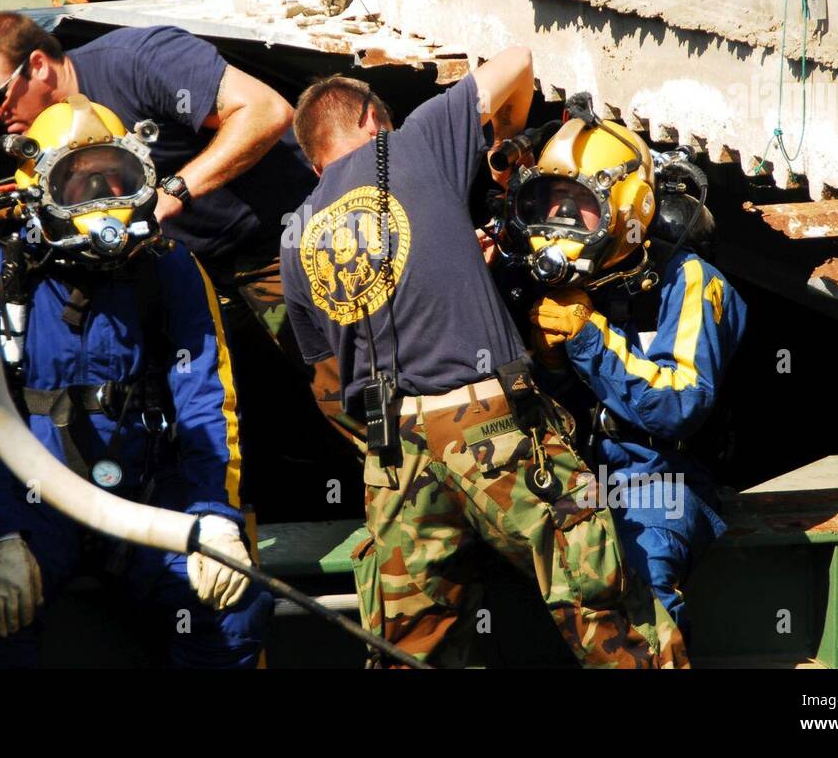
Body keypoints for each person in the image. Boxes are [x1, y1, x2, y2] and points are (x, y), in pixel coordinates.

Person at [278, 51, 688, 668]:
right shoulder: (412, 141)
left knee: (408, 646)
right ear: (371, 119)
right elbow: (518, 65)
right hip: (493, 425)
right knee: (603, 604)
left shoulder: (294, 237)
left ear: (314, 161)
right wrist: (506, 143)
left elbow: (330, 384)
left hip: (394, 458)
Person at [0, 94, 272, 668]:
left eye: (117, 181)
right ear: (38, 191)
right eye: (80, 184)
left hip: (144, 498)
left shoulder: (172, 269)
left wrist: (213, 514)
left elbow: (207, 402)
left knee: (231, 604)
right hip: (27, 507)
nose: (103, 200)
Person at [0, 12, 359, 463]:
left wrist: (174, 192)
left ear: (40, 66)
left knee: (345, 388)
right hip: (186, 270)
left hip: (275, 247)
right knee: (194, 409)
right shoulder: (33, 133)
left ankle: (410, 510)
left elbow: (267, 110)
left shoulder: (138, 61)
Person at [514, 104, 747, 645]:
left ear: (623, 210)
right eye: (550, 204)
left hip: (664, 479)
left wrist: (586, 336)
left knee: (638, 584)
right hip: (574, 476)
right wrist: (548, 367)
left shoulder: (688, 281)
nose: (562, 222)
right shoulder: (552, 277)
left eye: (579, 207)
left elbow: (682, 403)